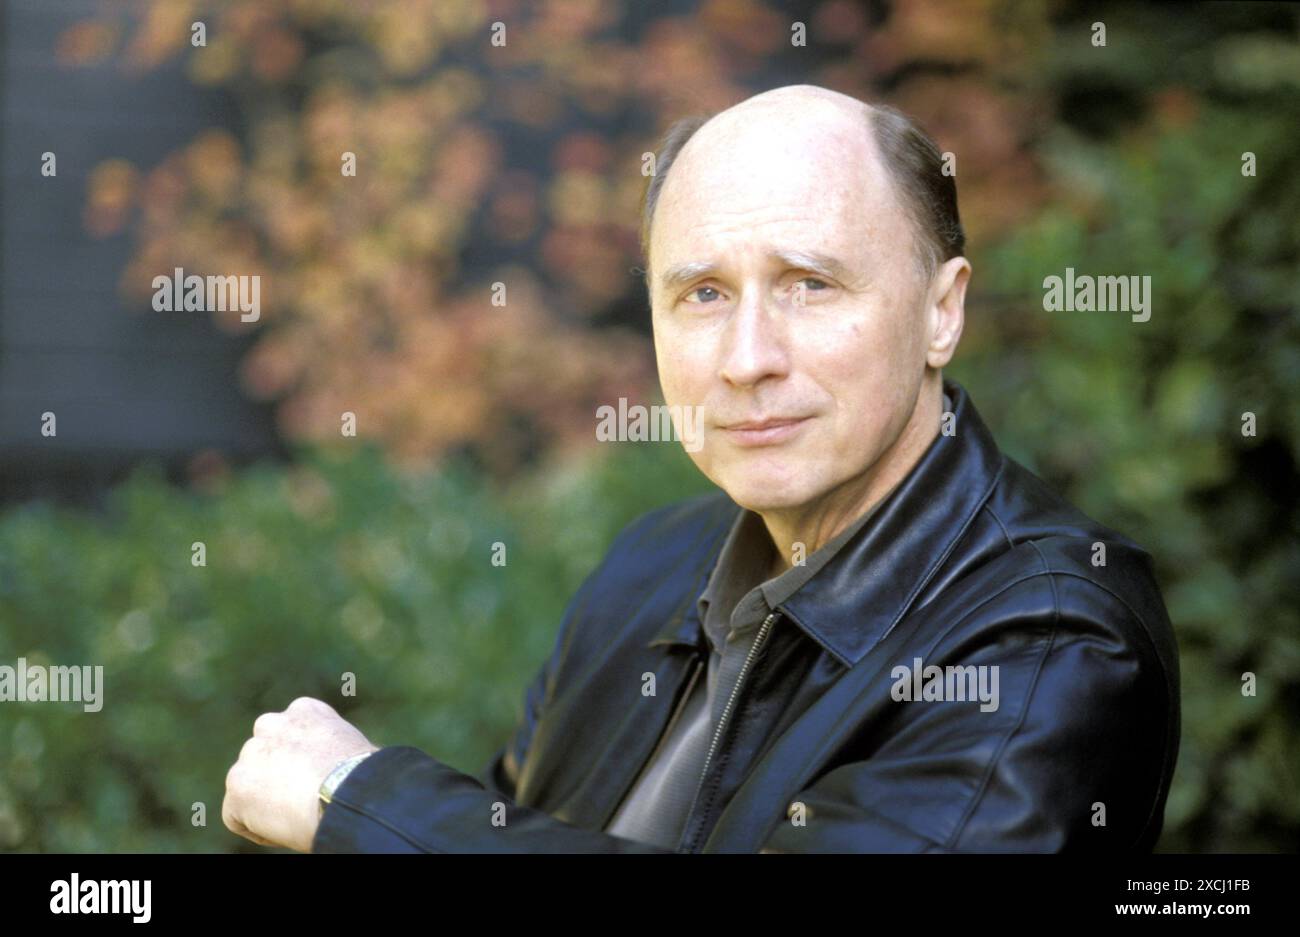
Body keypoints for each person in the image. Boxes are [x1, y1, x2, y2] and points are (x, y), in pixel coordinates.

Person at [222, 84, 1180, 853]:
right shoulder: (651, 568)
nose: (746, 356)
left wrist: (364, 802)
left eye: (810, 284)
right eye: (704, 293)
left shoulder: (1053, 637)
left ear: (942, 311)